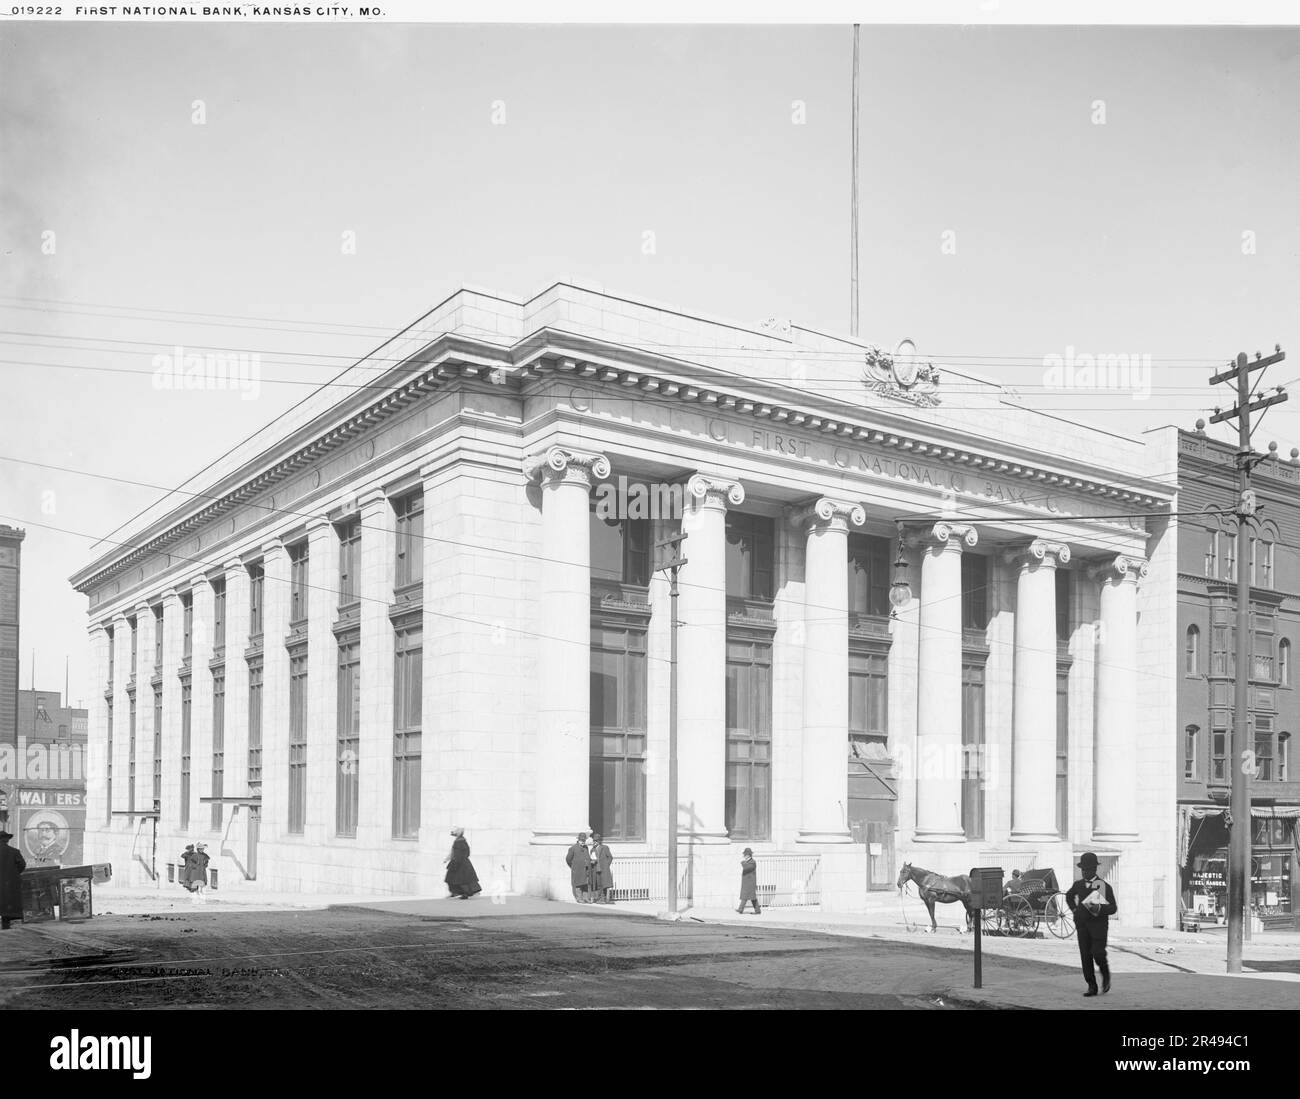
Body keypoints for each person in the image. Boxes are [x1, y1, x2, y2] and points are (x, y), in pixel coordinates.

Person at [1065, 851, 1117, 997]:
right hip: (1082, 926)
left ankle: (1105, 974)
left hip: (1099, 927)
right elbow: (1069, 897)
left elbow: (1113, 908)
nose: (1084, 872)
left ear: (1094, 869)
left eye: (1087, 869)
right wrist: (1075, 910)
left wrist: (1100, 908)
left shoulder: (1103, 886)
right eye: (1083, 869)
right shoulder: (1078, 884)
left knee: (1098, 953)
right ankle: (1091, 986)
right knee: (1085, 957)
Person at [444, 827, 482, 899]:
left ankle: (466, 893)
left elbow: (458, 853)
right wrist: (448, 859)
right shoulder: (461, 841)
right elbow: (457, 852)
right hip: (460, 862)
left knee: (462, 880)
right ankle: (456, 892)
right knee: (454, 878)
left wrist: (455, 860)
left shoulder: (459, 842)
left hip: (460, 863)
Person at [1, 829, 26, 930]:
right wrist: (14, 874)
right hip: (10, 882)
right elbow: (22, 865)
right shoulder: (14, 852)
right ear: (7, 840)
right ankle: (5, 924)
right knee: (7, 903)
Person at [565, 832, 592, 903]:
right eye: (582, 840)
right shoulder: (573, 848)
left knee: (585, 883)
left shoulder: (586, 847)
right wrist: (573, 867)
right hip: (577, 869)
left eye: (584, 840)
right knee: (578, 884)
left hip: (586, 869)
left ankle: (586, 898)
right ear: (578, 839)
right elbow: (568, 859)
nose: (583, 841)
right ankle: (579, 898)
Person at [590, 833, 615, 904]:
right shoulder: (592, 850)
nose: (594, 842)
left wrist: (606, 865)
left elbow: (610, 857)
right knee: (598, 884)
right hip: (596, 869)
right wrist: (592, 862)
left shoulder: (605, 848)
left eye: (596, 841)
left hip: (603, 869)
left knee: (604, 884)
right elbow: (591, 858)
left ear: (599, 841)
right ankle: (599, 898)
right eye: (594, 841)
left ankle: (603, 899)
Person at [737, 848, 761, 915]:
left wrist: (743, 862)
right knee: (751, 897)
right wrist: (744, 862)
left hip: (750, 883)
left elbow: (747, 867)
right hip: (746, 882)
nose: (744, 855)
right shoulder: (748, 861)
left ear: (748, 855)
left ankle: (740, 909)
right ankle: (757, 910)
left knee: (748, 896)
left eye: (745, 854)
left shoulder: (752, 862)